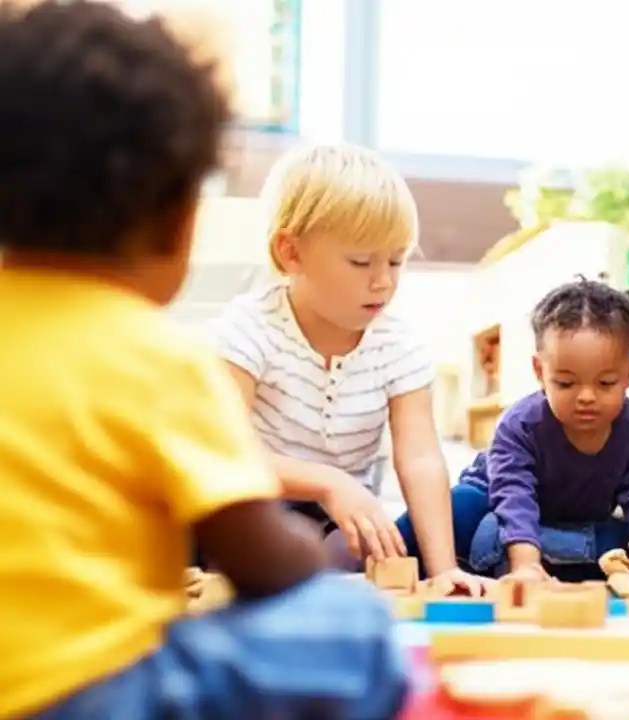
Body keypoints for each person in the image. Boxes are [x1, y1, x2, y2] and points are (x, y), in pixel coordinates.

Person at [0, 2, 407, 718]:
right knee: (353, 630)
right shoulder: (155, 356)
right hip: (96, 694)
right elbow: (263, 564)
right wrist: (319, 559)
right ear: (176, 218)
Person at [211, 143, 487, 594]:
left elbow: (419, 458)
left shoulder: (399, 345)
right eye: (361, 261)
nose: (383, 280)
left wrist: (442, 573)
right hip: (254, 504)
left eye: (397, 261)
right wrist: (327, 482)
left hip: (340, 522)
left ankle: (312, 578)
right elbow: (221, 453)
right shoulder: (249, 328)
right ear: (290, 253)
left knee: (456, 509)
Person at [459, 278, 629, 582]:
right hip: (497, 501)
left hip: (576, 523)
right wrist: (526, 565)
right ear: (540, 371)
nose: (586, 397)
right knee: (483, 527)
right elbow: (514, 496)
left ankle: (561, 557)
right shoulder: (521, 424)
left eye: (605, 383)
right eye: (566, 383)